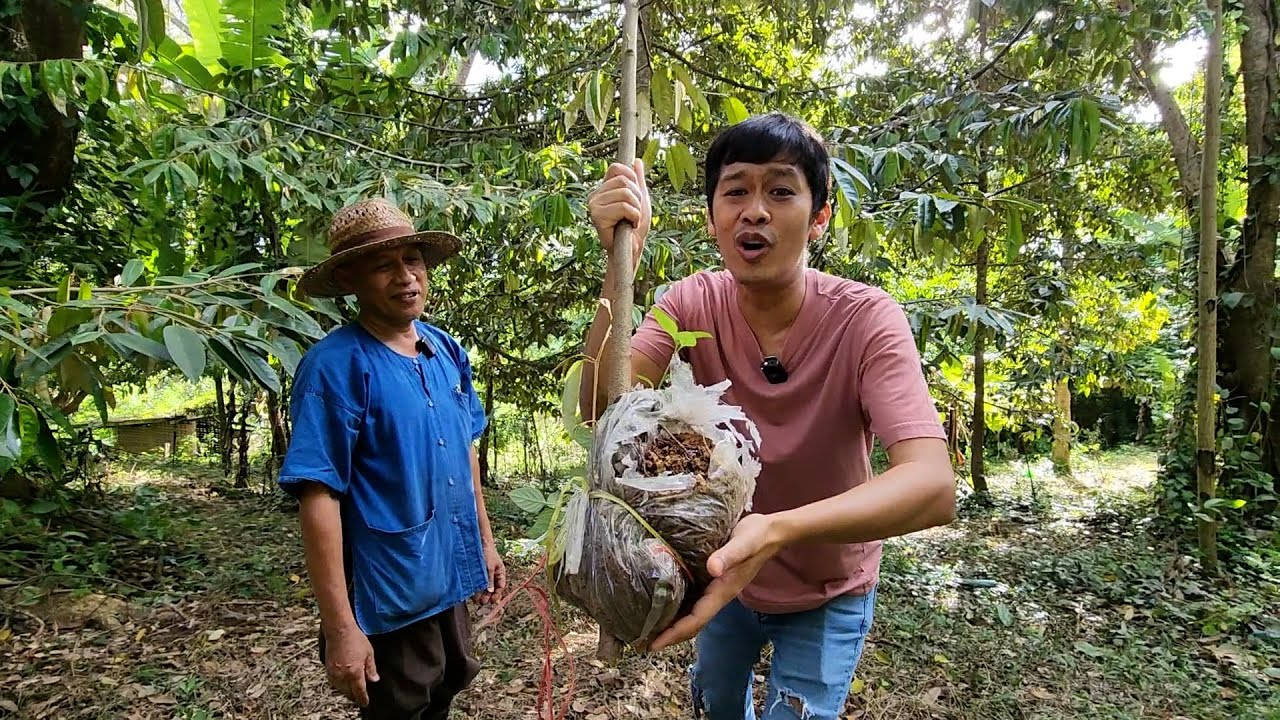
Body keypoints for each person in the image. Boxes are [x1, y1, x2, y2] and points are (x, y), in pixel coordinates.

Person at [581, 112, 956, 720]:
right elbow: (602, 409)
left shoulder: (865, 319)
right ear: (712, 219)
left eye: (781, 191)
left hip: (828, 588)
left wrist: (776, 529)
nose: (755, 211)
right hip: (725, 577)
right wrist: (618, 262)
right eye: (736, 192)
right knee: (718, 705)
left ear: (820, 217)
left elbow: (932, 486)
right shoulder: (691, 302)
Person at [277, 198, 506, 720]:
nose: (405, 277)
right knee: (400, 705)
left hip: (447, 574)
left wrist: (486, 543)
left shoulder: (445, 351)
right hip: (390, 586)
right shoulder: (335, 366)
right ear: (350, 280)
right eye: (384, 265)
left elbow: (465, 451)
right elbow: (318, 494)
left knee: (445, 688)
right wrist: (341, 628)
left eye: (413, 260)